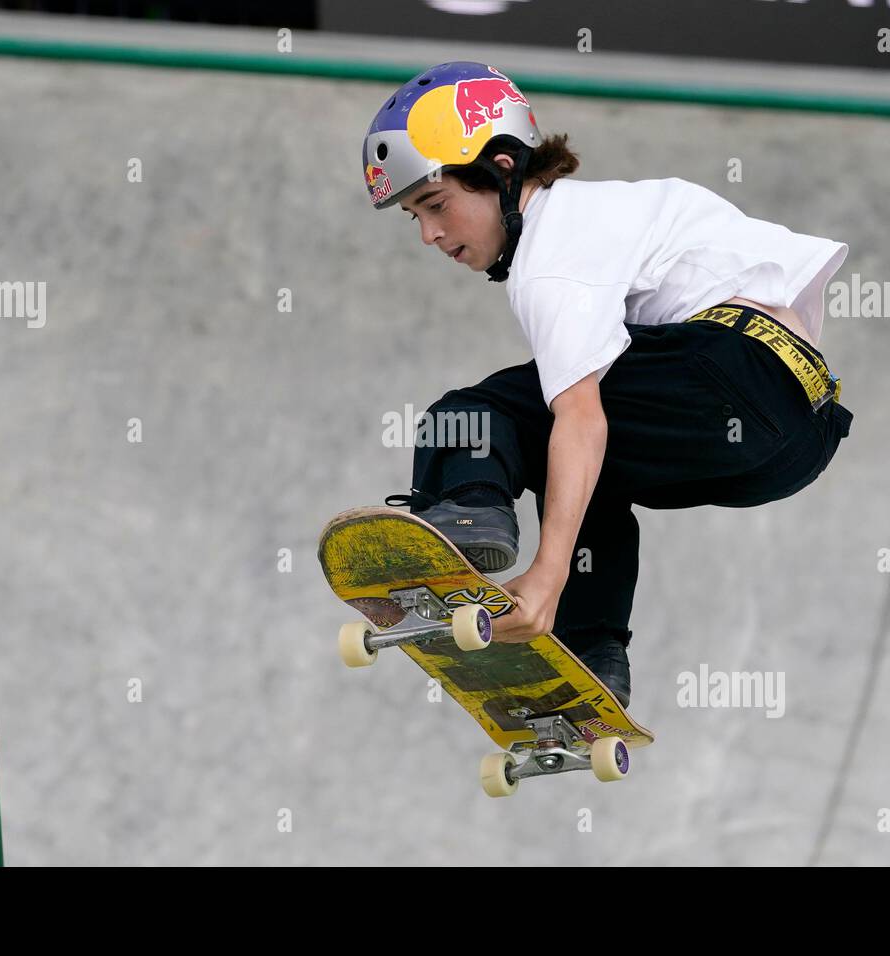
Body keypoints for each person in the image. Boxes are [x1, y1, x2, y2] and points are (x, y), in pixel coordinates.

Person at [361, 62, 853, 707]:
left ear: (501, 170)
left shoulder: (554, 253)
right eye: (414, 218)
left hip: (735, 377)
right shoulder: (601, 218)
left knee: (475, 413)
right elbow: (589, 443)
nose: (430, 234)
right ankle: (590, 652)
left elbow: (582, 419)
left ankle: (469, 511)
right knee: (582, 472)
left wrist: (546, 573)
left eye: (436, 205)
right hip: (795, 439)